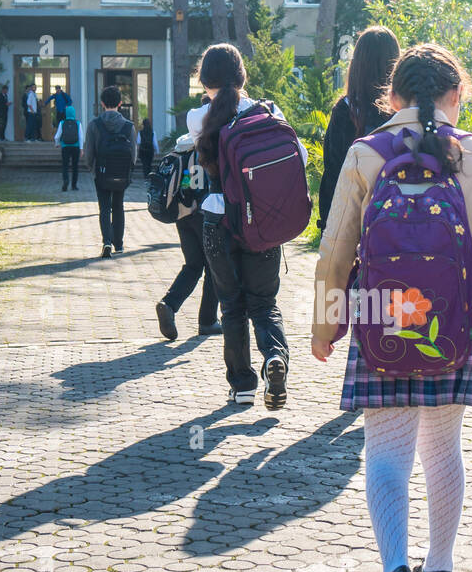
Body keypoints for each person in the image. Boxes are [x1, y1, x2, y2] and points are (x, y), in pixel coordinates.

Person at [312, 43, 472, 572]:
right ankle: (439, 570)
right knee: (444, 446)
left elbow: (336, 253)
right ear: (456, 96)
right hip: (453, 328)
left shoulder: (366, 152)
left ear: (393, 100)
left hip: (381, 322)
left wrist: (325, 328)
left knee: (385, 452)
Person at [190, 43, 304, 409]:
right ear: (243, 75)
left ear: (204, 80)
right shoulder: (269, 112)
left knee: (232, 305)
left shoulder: (199, 118)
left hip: (217, 222)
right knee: (264, 302)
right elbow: (298, 156)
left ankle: (242, 385)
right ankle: (275, 356)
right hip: (261, 223)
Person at [318, 26, 400, 229]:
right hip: (398, 220)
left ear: (357, 65)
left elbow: (333, 174)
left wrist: (329, 227)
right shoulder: (404, 113)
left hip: (353, 224)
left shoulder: (345, 111)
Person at [156, 135, 223, 341]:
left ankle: (169, 305)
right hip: (205, 213)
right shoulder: (210, 144)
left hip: (183, 213)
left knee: (193, 265)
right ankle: (207, 320)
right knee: (214, 267)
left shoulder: (184, 144)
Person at [83, 85, 136, 258]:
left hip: (102, 172)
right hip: (121, 173)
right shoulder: (129, 126)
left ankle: (107, 241)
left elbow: (89, 152)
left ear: (102, 103)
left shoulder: (94, 125)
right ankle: (118, 244)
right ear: (120, 103)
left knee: (104, 207)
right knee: (118, 206)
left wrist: (93, 169)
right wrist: (129, 170)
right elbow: (133, 154)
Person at [54, 104, 83, 192]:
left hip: (65, 146)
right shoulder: (77, 123)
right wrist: (81, 149)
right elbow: (81, 137)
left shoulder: (62, 123)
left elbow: (57, 136)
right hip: (76, 147)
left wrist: (57, 143)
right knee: (75, 166)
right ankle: (74, 185)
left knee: (65, 166)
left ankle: (66, 180)